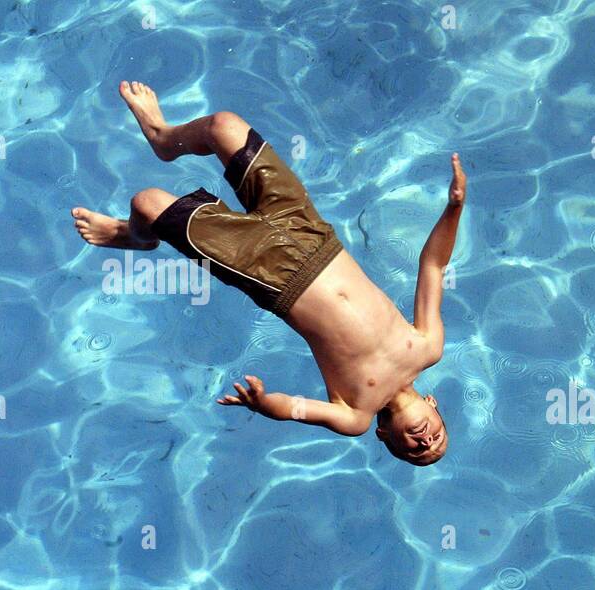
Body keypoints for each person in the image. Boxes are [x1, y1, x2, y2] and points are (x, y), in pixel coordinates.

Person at [72, 81, 465, 466]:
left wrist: (263, 404)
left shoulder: (356, 415)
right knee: (222, 126)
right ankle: (163, 136)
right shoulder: (428, 346)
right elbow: (432, 266)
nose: (427, 441)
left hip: (268, 273)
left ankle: (137, 238)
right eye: (438, 438)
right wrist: (453, 208)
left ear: (386, 437)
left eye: (417, 450)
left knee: (146, 203)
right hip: (311, 232)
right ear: (434, 405)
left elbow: (295, 409)